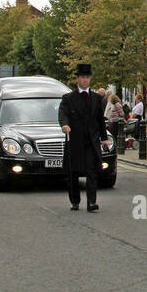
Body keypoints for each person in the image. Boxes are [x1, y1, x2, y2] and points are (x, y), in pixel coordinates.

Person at [58, 63, 107, 213]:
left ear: (90, 79)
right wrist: (65, 125)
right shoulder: (68, 98)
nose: (85, 80)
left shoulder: (97, 98)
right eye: (82, 78)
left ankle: (91, 202)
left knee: (92, 171)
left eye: (87, 78)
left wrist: (104, 138)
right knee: (73, 172)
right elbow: (63, 114)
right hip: (75, 140)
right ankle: (75, 200)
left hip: (91, 141)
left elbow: (100, 120)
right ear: (77, 79)